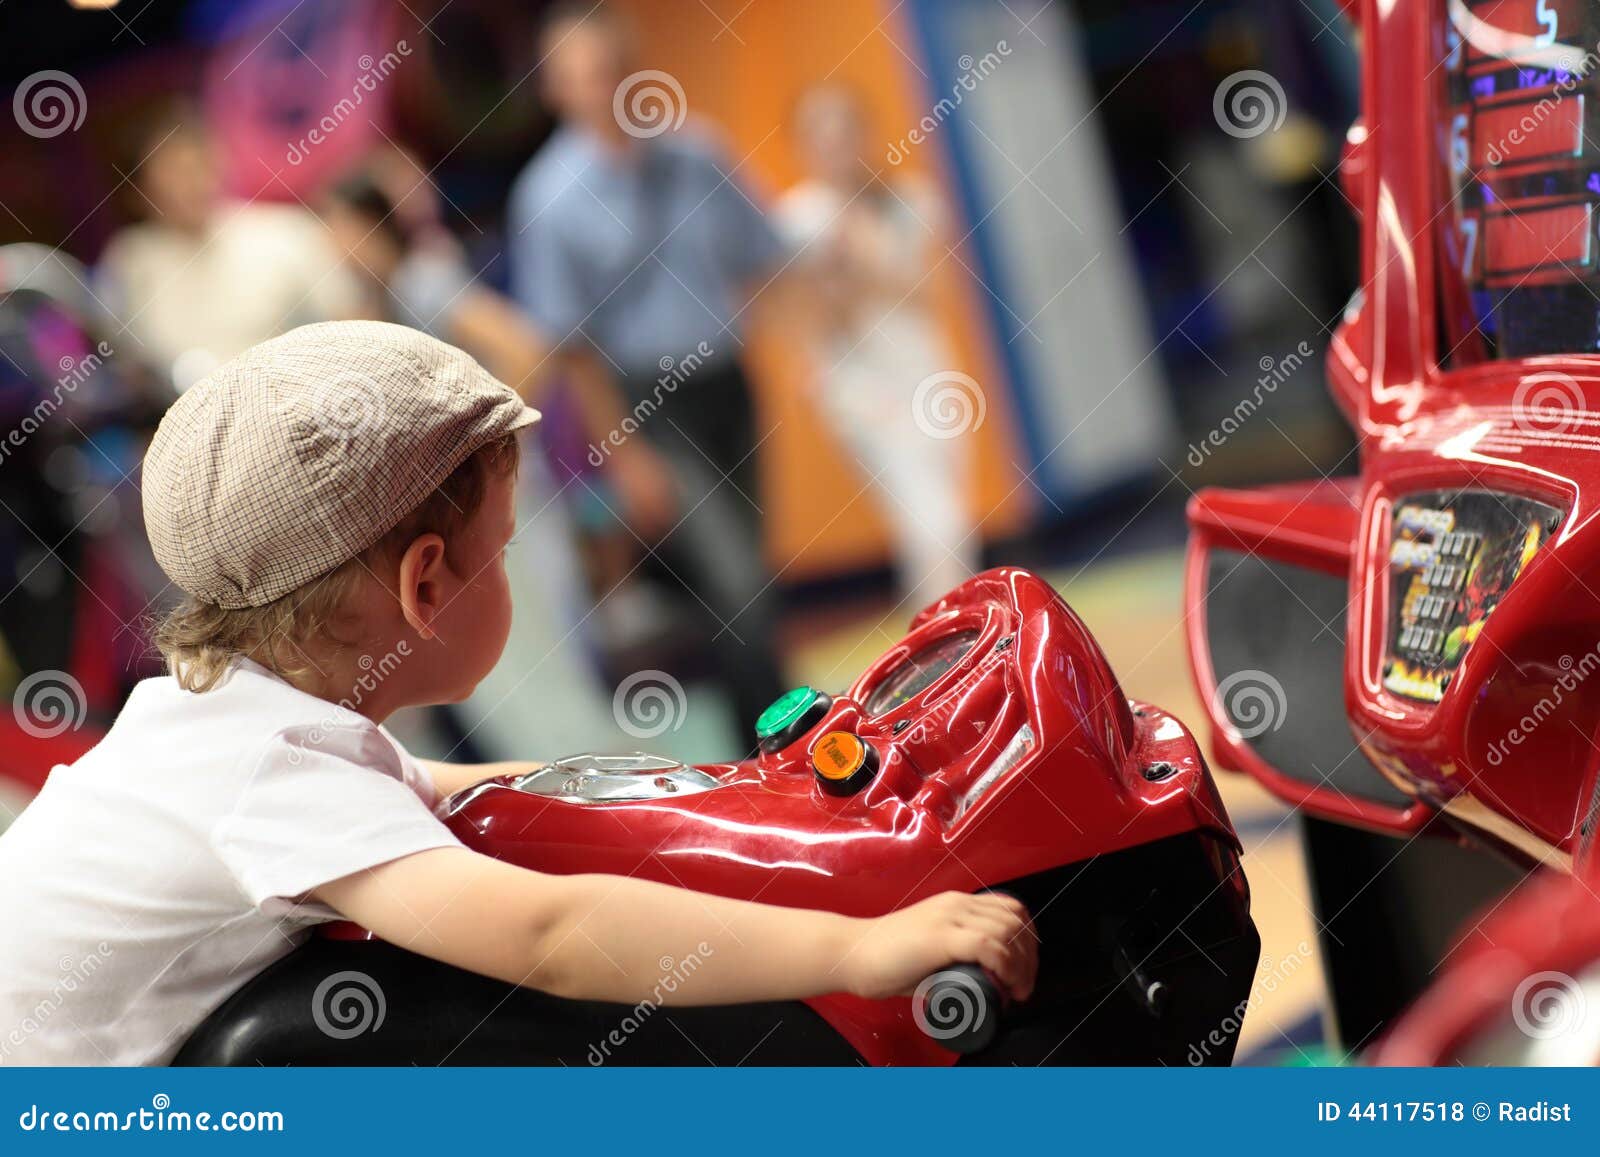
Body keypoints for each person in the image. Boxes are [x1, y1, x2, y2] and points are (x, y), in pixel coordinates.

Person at [0, 321, 1036, 1065]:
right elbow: (551, 934)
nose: (518, 573)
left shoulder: (221, 711)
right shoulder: (273, 771)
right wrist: (855, 946)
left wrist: (731, 791)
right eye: (503, 553)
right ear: (425, 587)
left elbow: (445, 782)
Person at [507, 2, 788, 737]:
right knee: (735, 579)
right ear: (554, 89)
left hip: (728, 385)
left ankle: (759, 742)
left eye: (608, 69)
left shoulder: (697, 154)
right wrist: (624, 453)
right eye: (578, 75)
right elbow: (571, 346)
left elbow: (762, 252)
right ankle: (779, 744)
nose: (599, 87)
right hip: (646, 403)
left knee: (751, 573)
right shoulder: (549, 198)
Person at [777, 85, 980, 612]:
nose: (835, 147)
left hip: (925, 369)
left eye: (843, 132)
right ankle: (951, 626)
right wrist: (835, 277)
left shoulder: (910, 201)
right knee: (933, 519)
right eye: (820, 137)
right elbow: (809, 320)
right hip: (861, 386)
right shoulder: (797, 221)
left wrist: (867, 258)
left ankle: (938, 627)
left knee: (948, 515)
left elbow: (932, 293)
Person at [96, 104, 361, 391]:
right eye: (173, 172)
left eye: (196, 166)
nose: (189, 183)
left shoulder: (287, 232)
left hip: (289, 396)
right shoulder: (129, 259)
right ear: (140, 190)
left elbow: (354, 326)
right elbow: (120, 364)